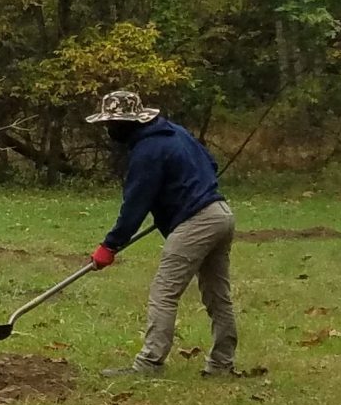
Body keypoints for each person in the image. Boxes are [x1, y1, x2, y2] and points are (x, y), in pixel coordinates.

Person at [85, 89, 236, 378]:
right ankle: (221, 364)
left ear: (126, 123)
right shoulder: (175, 132)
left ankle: (149, 364)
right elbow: (211, 164)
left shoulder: (147, 151)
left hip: (197, 222)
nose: (107, 130)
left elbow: (135, 206)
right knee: (218, 296)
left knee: (163, 293)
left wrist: (110, 246)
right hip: (221, 214)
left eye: (110, 124)